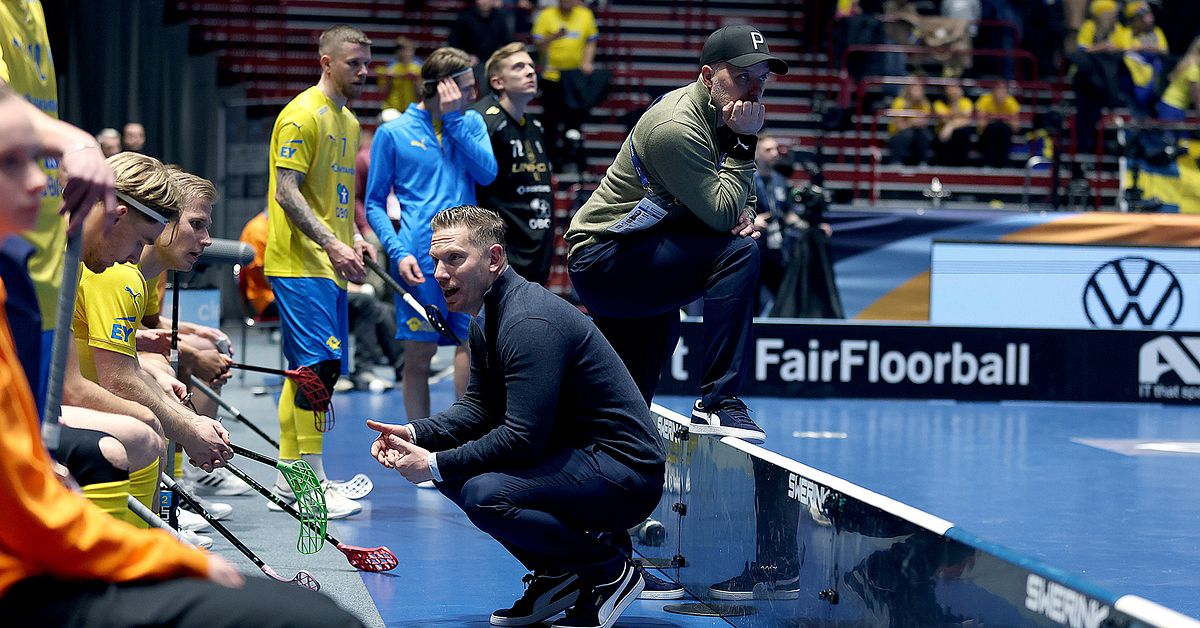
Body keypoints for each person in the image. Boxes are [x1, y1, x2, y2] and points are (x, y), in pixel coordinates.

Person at [0, 87, 364, 627]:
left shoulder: (43, 275)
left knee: (162, 384)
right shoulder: (91, 273)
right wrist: (162, 556)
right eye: (11, 162)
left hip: (47, 547)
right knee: (146, 421)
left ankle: (160, 522)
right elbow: (78, 395)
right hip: (29, 574)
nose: (39, 180)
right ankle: (160, 522)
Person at [367, 205, 665, 628]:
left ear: (493, 259)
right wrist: (415, 432)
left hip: (624, 473)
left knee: (484, 492)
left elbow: (523, 438)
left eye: (454, 258)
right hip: (581, 457)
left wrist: (431, 463)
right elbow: (480, 408)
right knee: (458, 474)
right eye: (435, 260)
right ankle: (558, 573)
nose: (438, 273)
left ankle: (608, 570)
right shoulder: (488, 315)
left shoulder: (529, 320)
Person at [565, 24, 789, 444]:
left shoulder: (727, 116)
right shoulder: (676, 126)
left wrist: (744, 202)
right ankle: (718, 403)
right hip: (603, 259)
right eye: (742, 76)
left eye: (762, 78)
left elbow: (744, 204)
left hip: (644, 255)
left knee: (627, 403)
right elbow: (723, 215)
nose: (754, 90)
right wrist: (744, 145)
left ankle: (603, 485)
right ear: (708, 76)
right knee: (738, 253)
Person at [264, 24, 376, 519]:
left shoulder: (348, 123)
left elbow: (338, 197)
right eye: (355, 63)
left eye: (367, 63)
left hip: (327, 261)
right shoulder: (301, 115)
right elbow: (287, 193)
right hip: (298, 262)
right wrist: (331, 242)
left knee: (304, 373)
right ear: (326, 61)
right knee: (318, 372)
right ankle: (312, 489)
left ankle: (296, 482)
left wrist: (352, 235)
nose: (365, 72)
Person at [365, 46, 497, 422]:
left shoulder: (470, 123)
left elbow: (487, 173)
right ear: (443, 86)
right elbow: (375, 202)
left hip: (467, 260)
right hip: (418, 262)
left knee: (470, 346)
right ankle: (418, 442)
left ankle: (467, 438)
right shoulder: (393, 133)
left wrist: (455, 121)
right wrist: (397, 252)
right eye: (467, 86)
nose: (474, 94)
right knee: (418, 356)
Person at [1, 0, 118, 416]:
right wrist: (75, 141)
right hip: (10, 258)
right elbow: (5, 110)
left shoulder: (31, 6)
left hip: (45, 271)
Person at [469, 42, 555, 285]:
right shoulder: (483, 121)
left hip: (538, 245)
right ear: (497, 82)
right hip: (504, 249)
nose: (530, 71)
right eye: (518, 67)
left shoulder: (536, 127)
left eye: (530, 65)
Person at [531, 0, 598, 173]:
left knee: (574, 123)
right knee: (551, 123)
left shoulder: (585, 15)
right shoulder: (546, 15)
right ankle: (551, 161)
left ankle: (572, 161)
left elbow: (591, 40)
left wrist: (587, 61)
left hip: (575, 79)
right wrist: (554, 37)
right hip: (551, 77)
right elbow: (537, 44)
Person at [449, 0, 516, 75]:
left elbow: (507, 43)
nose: (484, 1)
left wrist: (500, 57)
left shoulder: (501, 18)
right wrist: (466, 57)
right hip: (471, 62)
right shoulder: (464, 18)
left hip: (494, 60)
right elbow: (454, 43)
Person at [974, 80, 1020, 168]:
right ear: (993, 92)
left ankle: (1003, 163)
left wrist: (999, 118)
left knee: (1003, 129)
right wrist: (998, 118)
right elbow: (980, 124)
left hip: (1003, 133)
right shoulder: (985, 100)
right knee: (994, 128)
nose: (1001, 94)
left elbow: (1016, 127)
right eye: (998, 91)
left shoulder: (1011, 102)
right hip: (987, 133)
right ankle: (988, 163)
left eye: (1003, 92)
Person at [887, 80, 933, 166]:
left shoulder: (924, 103)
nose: (917, 93)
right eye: (914, 90)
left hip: (916, 135)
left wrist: (910, 122)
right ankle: (895, 162)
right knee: (907, 133)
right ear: (908, 90)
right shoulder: (899, 102)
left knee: (924, 133)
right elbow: (899, 126)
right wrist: (913, 122)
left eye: (919, 90)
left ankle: (923, 162)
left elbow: (924, 123)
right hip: (897, 135)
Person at [932, 80, 974, 166]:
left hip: (954, 133)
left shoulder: (966, 101)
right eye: (950, 88)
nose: (953, 91)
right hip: (942, 135)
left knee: (963, 131)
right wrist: (956, 119)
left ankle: (962, 165)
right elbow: (945, 120)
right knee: (952, 133)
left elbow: (967, 120)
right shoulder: (938, 103)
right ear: (945, 91)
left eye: (955, 88)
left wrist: (950, 126)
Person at [377, 36, 421, 115]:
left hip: (412, 109)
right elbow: (383, 93)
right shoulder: (389, 69)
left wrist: (415, 81)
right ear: (397, 52)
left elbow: (421, 94)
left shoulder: (418, 70)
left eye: (408, 50)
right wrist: (389, 80)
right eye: (402, 50)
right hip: (392, 109)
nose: (405, 54)